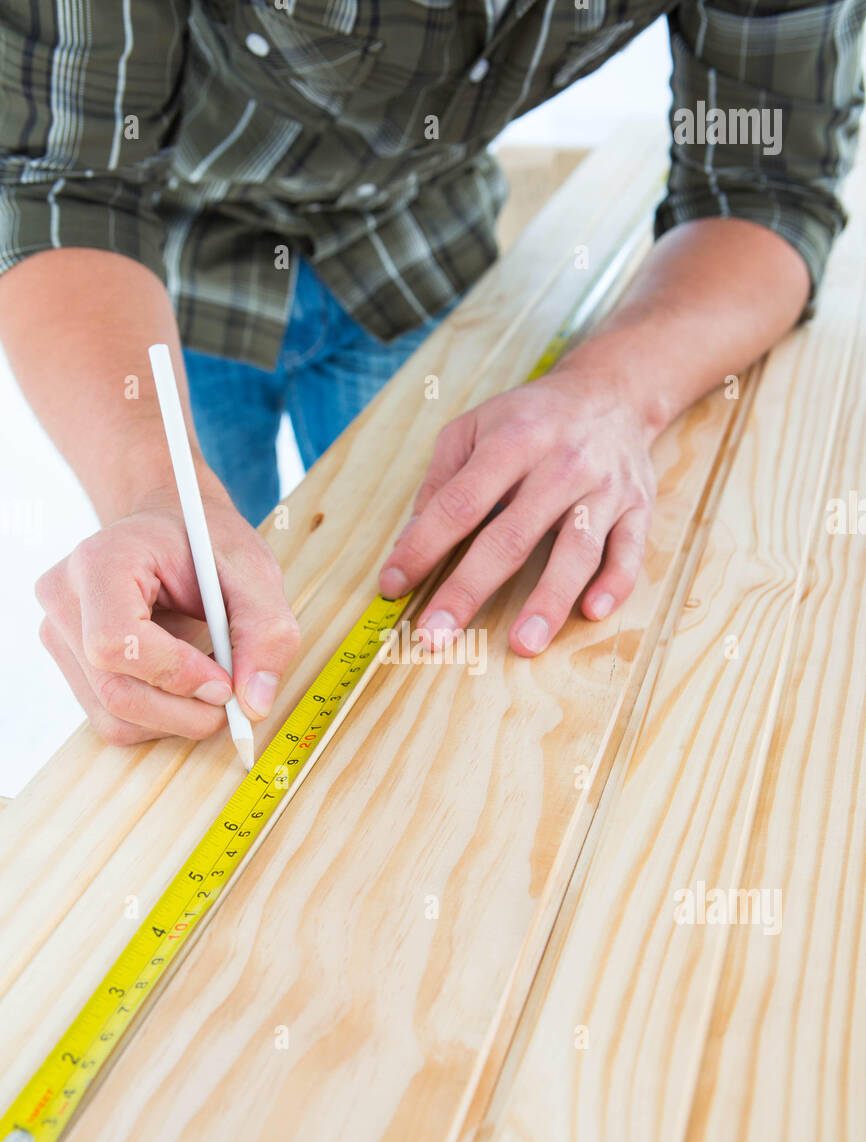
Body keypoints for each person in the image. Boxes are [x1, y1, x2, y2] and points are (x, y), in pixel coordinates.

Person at [0, 1, 861, 747]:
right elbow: (61, 181)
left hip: (413, 232)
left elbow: (768, 184)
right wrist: (153, 488)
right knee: (202, 601)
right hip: (148, 268)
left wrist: (615, 392)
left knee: (411, 607)